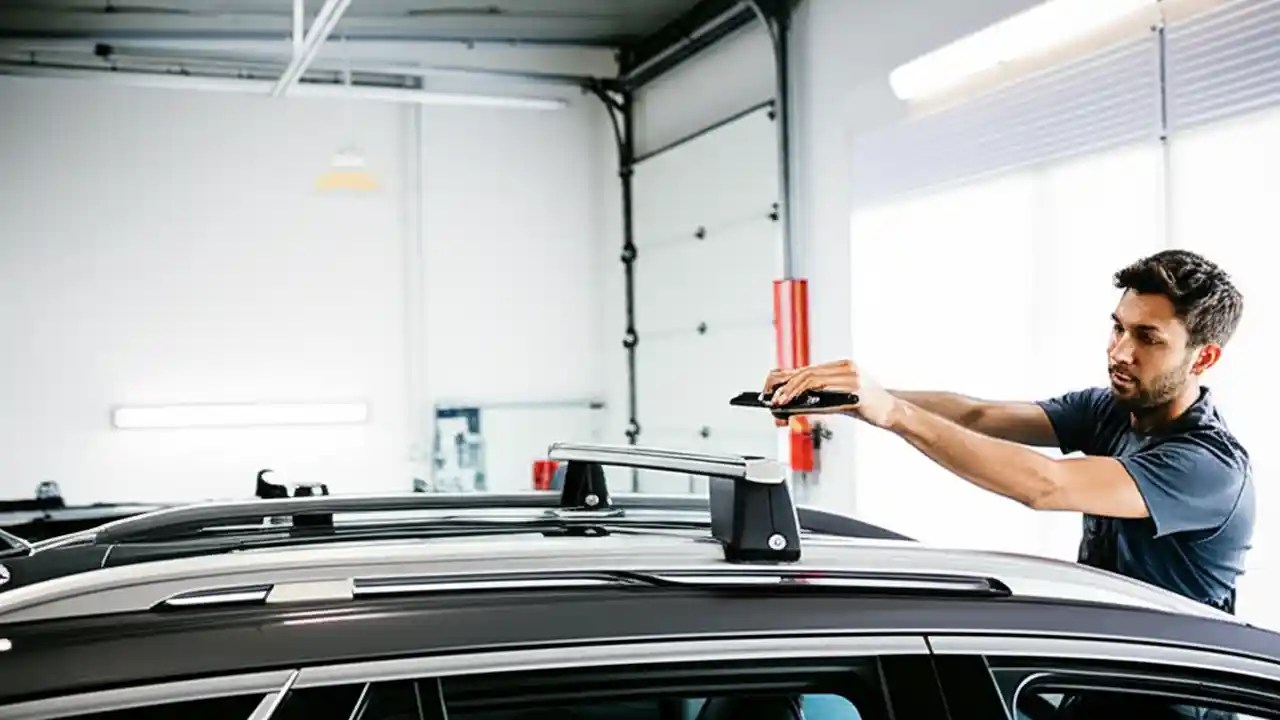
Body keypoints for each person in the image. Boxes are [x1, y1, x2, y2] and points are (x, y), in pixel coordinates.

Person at [763, 249, 1253, 615]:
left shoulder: (1208, 466)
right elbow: (976, 415)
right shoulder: (1110, 408)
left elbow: (1046, 485)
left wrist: (893, 412)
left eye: (1147, 338)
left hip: (1174, 692)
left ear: (1204, 358)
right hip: (1106, 671)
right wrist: (851, 398)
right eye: (1118, 328)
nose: (1120, 351)